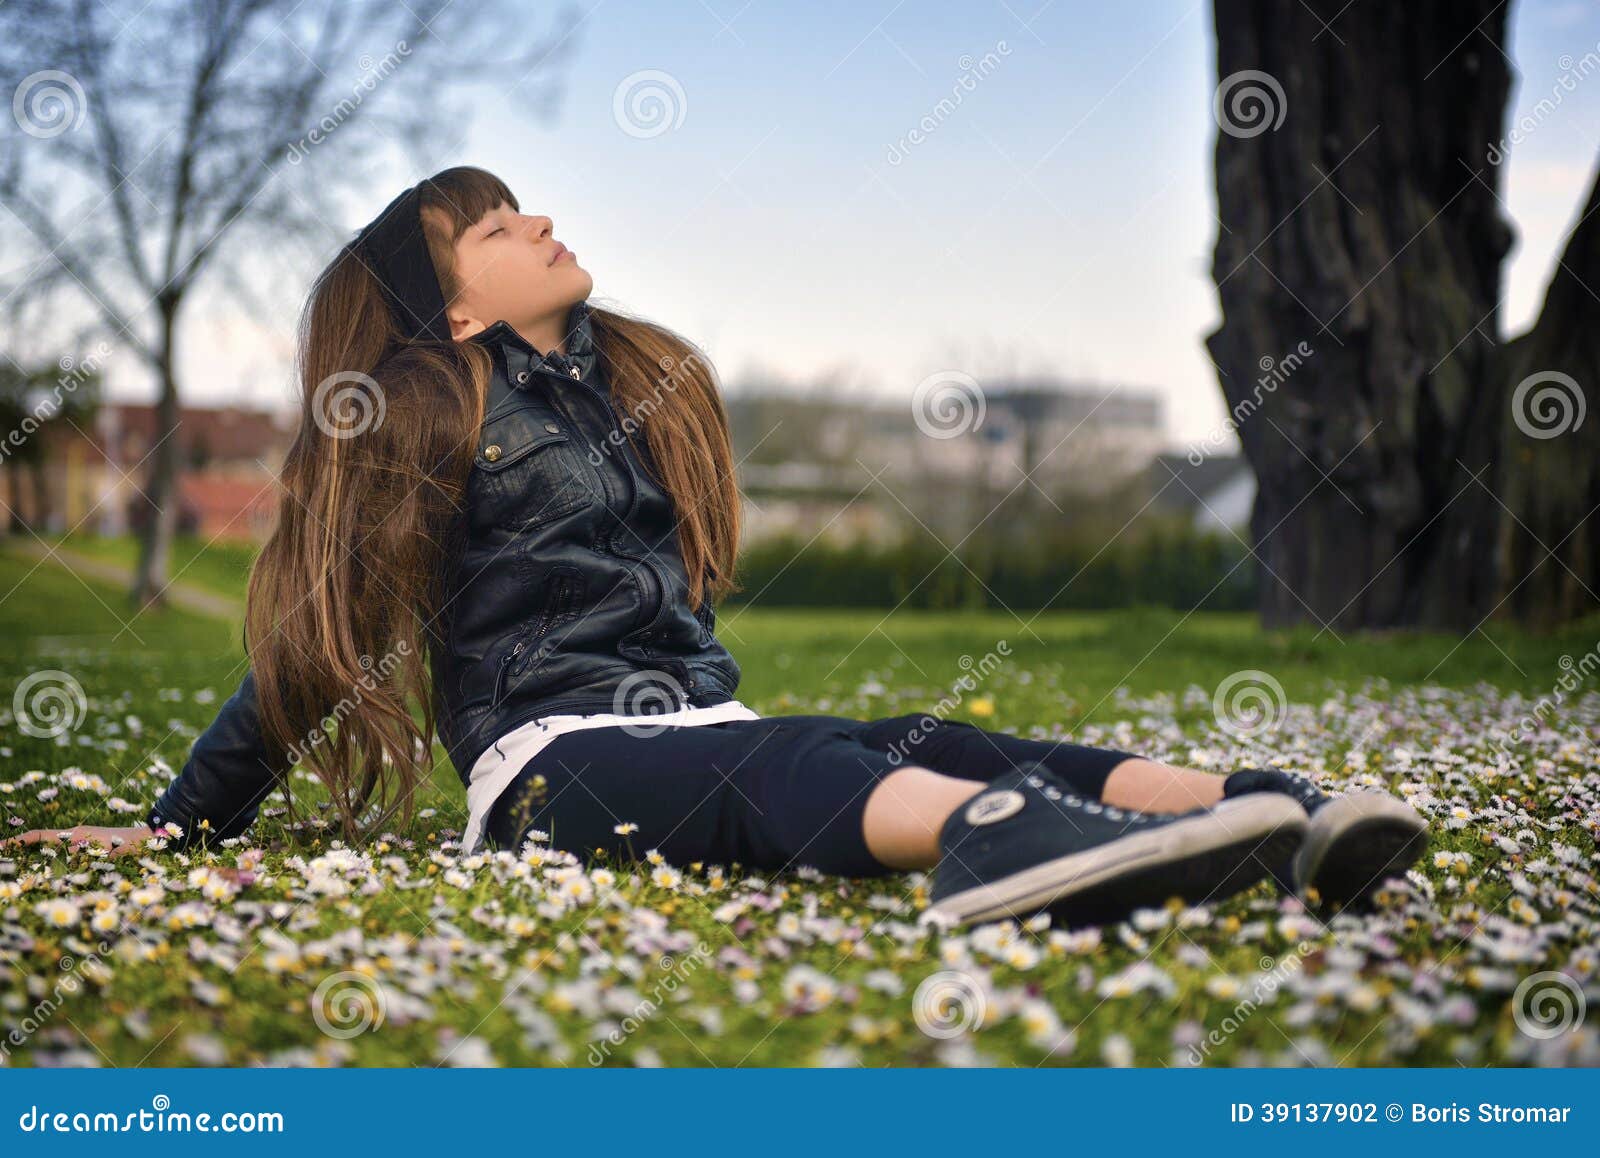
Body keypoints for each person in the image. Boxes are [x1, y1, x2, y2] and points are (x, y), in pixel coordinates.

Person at [8, 166, 1428, 927]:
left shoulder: (621, 391)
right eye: (499, 225)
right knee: (792, 762)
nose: (544, 220)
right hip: (549, 768)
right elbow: (313, 647)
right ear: (450, 315)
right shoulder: (437, 422)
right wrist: (177, 826)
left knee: (933, 731)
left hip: (692, 722)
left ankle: (1261, 807)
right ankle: (996, 855)